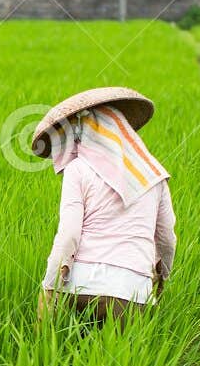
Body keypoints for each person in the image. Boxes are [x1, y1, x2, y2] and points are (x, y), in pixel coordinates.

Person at [32, 87, 176, 326]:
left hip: (78, 290)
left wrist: (50, 286)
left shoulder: (77, 170)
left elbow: (68, 235)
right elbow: (167, 239)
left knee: (71, 357)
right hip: (132, 294)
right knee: (120, 360)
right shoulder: (153, 175)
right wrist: (161, 280)